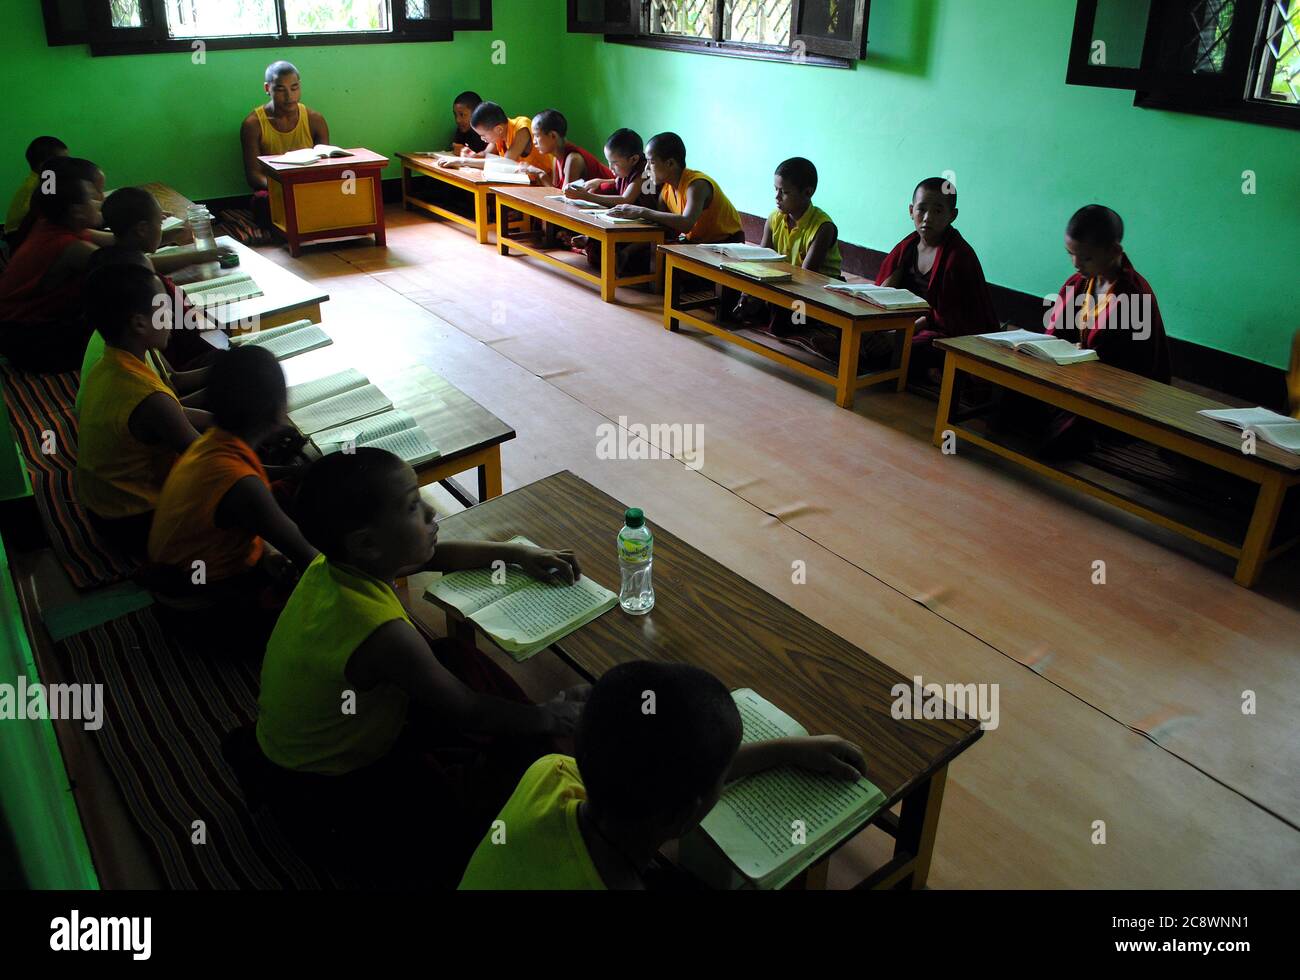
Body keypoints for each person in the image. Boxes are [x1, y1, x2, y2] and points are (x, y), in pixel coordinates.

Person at [253, 448, 590, 886]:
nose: (431, 511)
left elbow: (434, 555)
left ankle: (538, 735)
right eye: (413, 506)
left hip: (301, 745)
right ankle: (549, 740)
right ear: (368, 542)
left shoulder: (335, 565)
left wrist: (515, 554)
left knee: (452, 656)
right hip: (330, 784)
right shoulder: (378, 631)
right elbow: (467, 709)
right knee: (467, 806)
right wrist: (548, 714)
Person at [459, 660, 866, 889]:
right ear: (681, 817)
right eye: (720, 781)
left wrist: (785, 749)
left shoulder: (549, 774)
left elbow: (671, 767)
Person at [146, 345, 318, 656]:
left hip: (174, 594)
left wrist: (267, 552)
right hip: (201, 615)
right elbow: (309, 556)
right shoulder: (242, 486)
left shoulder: (208, 444)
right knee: (318, 618)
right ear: (278, 411)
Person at [75, 263, 209, 556]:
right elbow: (209, 463)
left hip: (104, 511)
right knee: (238, 499)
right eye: (163, 309)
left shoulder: (112, 362)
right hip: (133, 523)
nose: (172, 316)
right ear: (138, 324)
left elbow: (176, 412)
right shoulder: (146, 396)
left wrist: (220, 416)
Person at [0, 157, 103, 372]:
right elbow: (130, 265)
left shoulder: (53, 224)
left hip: (17, 330)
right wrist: (193, 255)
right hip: (28, 341)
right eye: (94, 197)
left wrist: (164, 232)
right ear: (76, 210)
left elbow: (117, 244)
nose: (102, 200)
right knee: (124, 323)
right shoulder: (71, 246)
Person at [5, 135, 67, 242]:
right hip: (20, 234)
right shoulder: (46, 180)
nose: (66, 165)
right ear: (44, 165)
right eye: (61, 161)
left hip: (17, 232)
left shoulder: (34, 179)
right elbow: (46, 210)